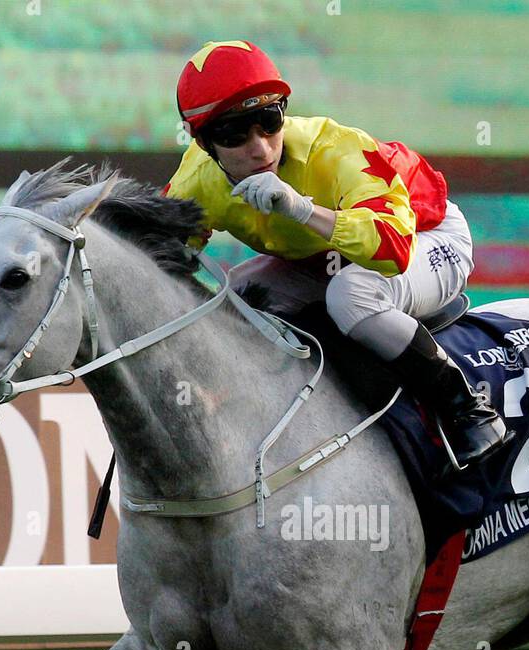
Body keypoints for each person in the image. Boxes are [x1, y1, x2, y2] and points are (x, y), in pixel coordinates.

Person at [161, 39, 511, 468]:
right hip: (323, 257)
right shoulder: (195, 180)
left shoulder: (336, 149)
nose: (261, 149)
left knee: (350, 295)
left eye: (269, 122)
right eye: (235, 134)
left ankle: (466, 407)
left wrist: (303, 209)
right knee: (234, 296)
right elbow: (155, 257)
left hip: (427, 237)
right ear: (203, 144)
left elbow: (393, 250)